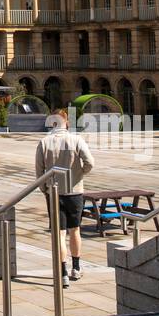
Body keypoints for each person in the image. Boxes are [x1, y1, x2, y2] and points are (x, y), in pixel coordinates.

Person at [35, 108, 94, 288]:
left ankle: (62, 273)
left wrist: (45, 188)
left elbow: (39, 171)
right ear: (66, 122)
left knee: (59, 233)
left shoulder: (44, 142)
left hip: (54, 192)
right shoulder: (76, 139)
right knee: (75, 230)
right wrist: (78, 175)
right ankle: (76, 267)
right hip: (75, 191)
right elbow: (90, 162)